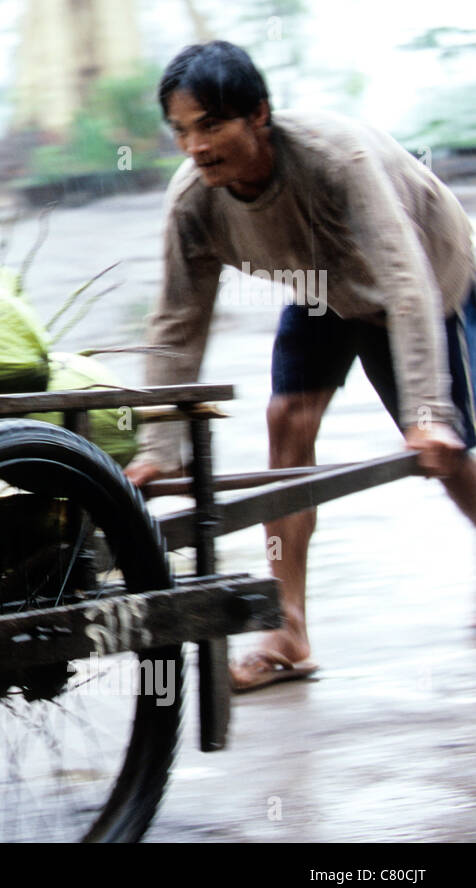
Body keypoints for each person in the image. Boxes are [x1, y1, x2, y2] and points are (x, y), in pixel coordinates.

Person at [122, 40, 476, 692]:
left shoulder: (337, 159)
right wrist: (159, 447)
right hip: (321, 286)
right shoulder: (195, 202)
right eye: (181, 132)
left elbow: (405, 284)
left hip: (424, 272)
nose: (195, 147)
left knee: (443, 451)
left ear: (259, 115)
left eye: (210, 124)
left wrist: (429, 413)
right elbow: (177, 323)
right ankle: (288, 632)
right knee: (287, 417)